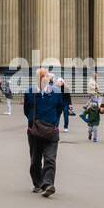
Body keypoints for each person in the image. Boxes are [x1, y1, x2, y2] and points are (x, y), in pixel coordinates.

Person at [23, 67, 64, 197]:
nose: (45, 78)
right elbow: (26, 110)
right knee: (35, 160)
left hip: (51, 131)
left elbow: (59, 110)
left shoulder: (56, 92)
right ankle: (38, 183)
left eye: (46, 76)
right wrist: (32, 122)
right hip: (35, 131)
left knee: (50, 159)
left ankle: (48, 184)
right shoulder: (30, 92)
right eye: (42, 76)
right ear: (38, 78)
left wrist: (54, 123)